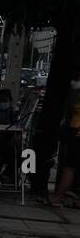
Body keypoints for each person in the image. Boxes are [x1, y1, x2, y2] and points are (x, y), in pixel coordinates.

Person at [46, 70, 80, 209]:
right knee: (70, 167)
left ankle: (59, 196)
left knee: (70, 167)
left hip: (76, 131)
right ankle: (60, 196)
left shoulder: (74, 90)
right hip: (76, 131)